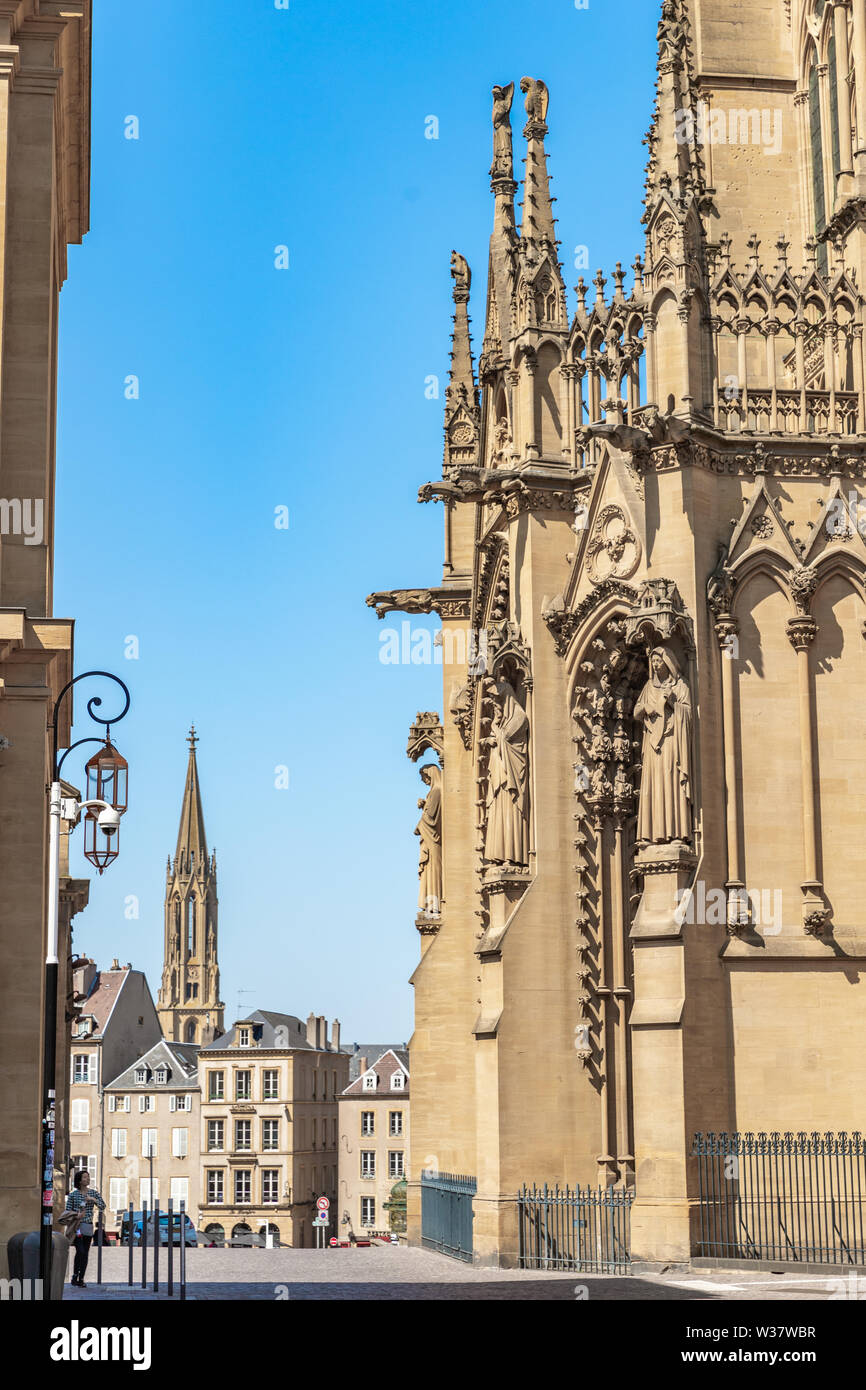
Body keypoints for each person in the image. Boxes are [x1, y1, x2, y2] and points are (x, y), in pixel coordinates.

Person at [63, 1169, 106, 1288]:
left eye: (88, 1177)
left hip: (88, 1226)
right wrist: (76, 1215)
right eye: (85, 1177)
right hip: (77, 1226)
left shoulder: (93, 1193)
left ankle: (80, 1278)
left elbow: (103, 1206)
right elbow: (67, 1211)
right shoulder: (73, 1195)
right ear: (80, 1180)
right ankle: (75, 1276)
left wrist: (93, 1200)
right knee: (80, 1251)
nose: (88, 1179)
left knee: (85, 1253)